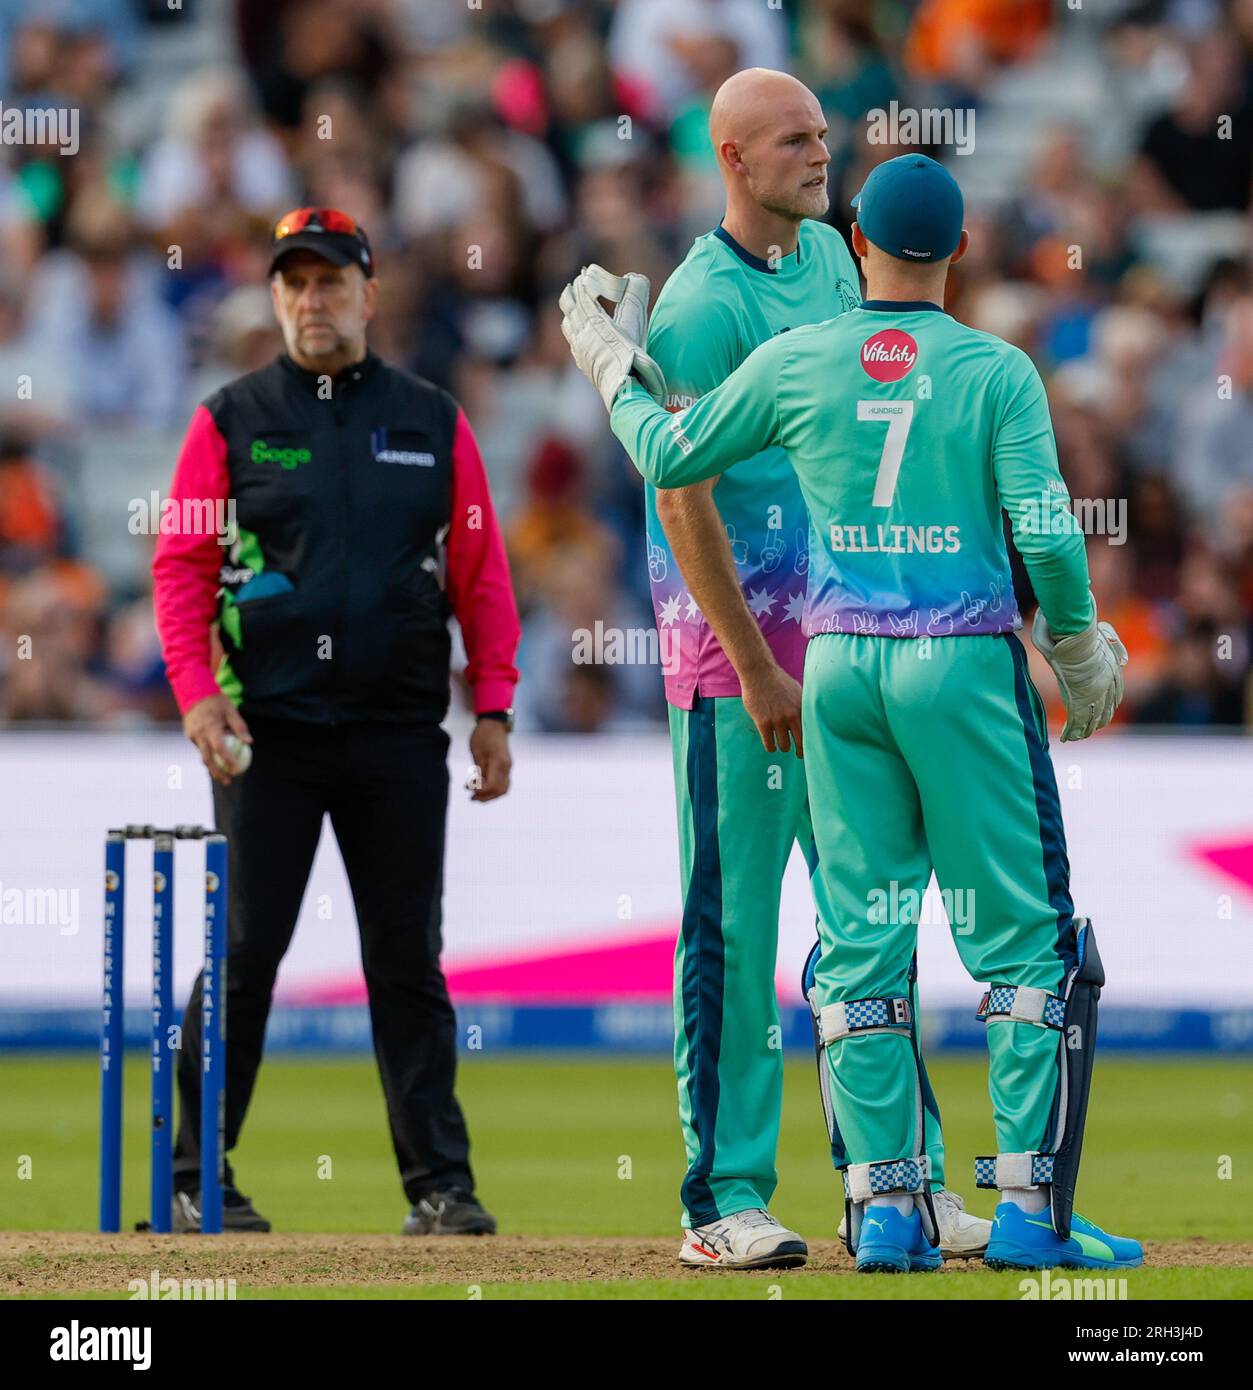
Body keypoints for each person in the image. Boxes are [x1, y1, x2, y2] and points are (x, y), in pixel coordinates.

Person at [561, 153, 1141, 1274]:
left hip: (834, 672)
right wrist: (1072, 644)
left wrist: (606, 365)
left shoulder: (797, 358)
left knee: (859, 939)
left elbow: (671, 457)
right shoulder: (994, 371)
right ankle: (1026, 1211)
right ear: (958, 252)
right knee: (1023, 945)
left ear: (855, 245)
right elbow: (1048, 534)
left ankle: (884, 1212)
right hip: (959, 665)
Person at [599, 70, 987, 1272]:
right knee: (731, 924)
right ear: (729, 156)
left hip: (839, 655)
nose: (820, 154)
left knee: (866, 926)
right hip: (737, 669)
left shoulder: (831, 257)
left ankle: (899, 1185)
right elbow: (679, 494)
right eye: (793, 140)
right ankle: (719, 1198)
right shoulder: (700, 307)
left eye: (821, 134)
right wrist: (759, 667)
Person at [153, 207, 520, 1236]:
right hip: (264, 732)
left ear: (369, 291)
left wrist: (492, 701)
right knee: (246, 952)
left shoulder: (431, 419)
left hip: (399, 733)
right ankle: (191, 1176)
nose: (312, 301)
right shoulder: (226, 418)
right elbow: (180, 567)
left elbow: (481, 572)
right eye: (294, 284)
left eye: (330, 282)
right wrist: (195, 692)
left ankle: (439, 1187)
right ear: (274, 298)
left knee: (407, 958)